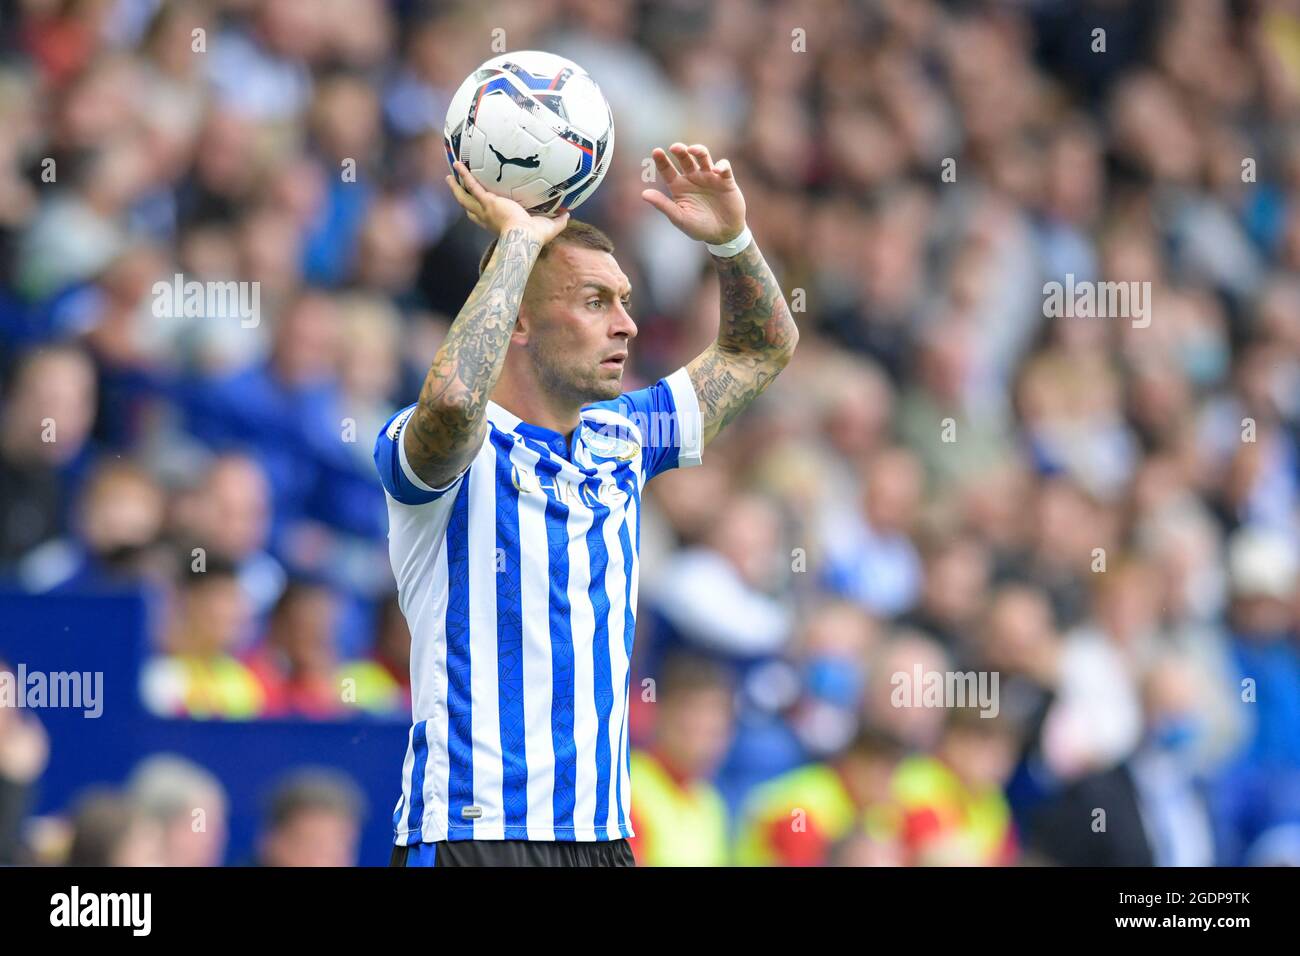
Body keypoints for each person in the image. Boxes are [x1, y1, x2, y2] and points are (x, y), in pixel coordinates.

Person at [378, 144, 798, 867]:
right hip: (475, 832)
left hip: (601, 838)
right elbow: (450, 399)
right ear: (518, 321)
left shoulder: (625, 436)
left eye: (626, 302)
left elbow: (762, 349)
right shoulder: (445, 449)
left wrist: (731, 239)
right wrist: (515, 245)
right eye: (596, 302)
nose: (627, 326)